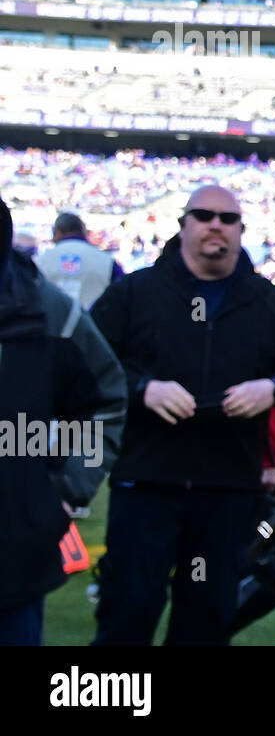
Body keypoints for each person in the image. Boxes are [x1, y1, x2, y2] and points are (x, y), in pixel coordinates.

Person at [89, 185, 275, 645]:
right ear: (183, 226)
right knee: (128, 609)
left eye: (228, 218)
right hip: (146, 482)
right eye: (203, 215)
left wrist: (272, 388)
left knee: (207, 618)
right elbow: (87, 368)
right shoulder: (135, 292)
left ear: (241, 230)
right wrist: (142, 389)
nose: (216, 224)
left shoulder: (270, 302)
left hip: (227, 489)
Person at [1, 196, 125, 644]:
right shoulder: (104, 263)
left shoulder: (43, 287)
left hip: (13, 551)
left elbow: (104, 396)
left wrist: (60, 490)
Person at [35, 212, 126, 310]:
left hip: (51, 322)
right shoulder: (107, 261)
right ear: (83, 232)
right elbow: (123, 294)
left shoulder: (41, 260)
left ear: (57, 231)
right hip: (94, 322)